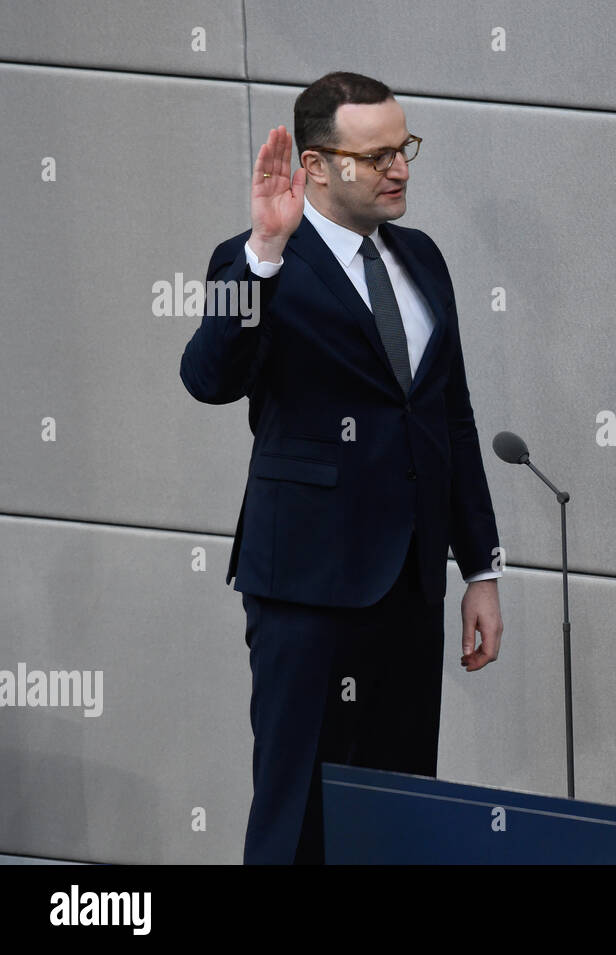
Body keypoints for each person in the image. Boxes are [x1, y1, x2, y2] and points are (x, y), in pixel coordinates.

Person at [180, 72, 504, 864]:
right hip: (307, 585)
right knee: (299, 810)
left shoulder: (422, 259)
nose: (399, 168)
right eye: (377, 155)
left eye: (404, 149)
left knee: (397, 810)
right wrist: (262, 250)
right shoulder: (256, 263)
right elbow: (207, 376)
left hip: (409, 583)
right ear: (317, 167)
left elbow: (450, 418)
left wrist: (481, 567)